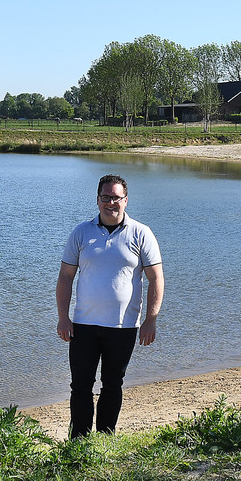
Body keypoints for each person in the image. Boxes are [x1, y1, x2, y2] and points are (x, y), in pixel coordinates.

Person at [56, 174, 164, 438]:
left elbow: (156, 278)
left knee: (112, 385)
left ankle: (105, 439)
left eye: (116, 198)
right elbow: (65, 276)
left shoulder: (141, 233)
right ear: (98, 200)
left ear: (125, 201)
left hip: (123, 326)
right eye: (106, 197)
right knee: (80, 386)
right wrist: (63, 317)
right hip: (83, 325)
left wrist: (151, 319)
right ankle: (79, 442)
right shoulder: (81, 232)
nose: (111, 203)